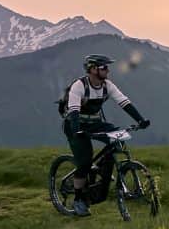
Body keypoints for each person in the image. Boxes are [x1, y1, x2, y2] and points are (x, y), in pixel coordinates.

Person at [61, 54, 150, 217]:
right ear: (93, 69)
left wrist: (141, 120)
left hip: (95, 122)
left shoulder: (107, 85)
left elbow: (125, 102)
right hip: (75, 124)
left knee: (117, 138)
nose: (108, 70)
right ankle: (79, 200)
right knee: (85, 162)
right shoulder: (79, 86)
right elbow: (74, 112)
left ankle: (102, 170)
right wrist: (76, 132)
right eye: (104, 67)